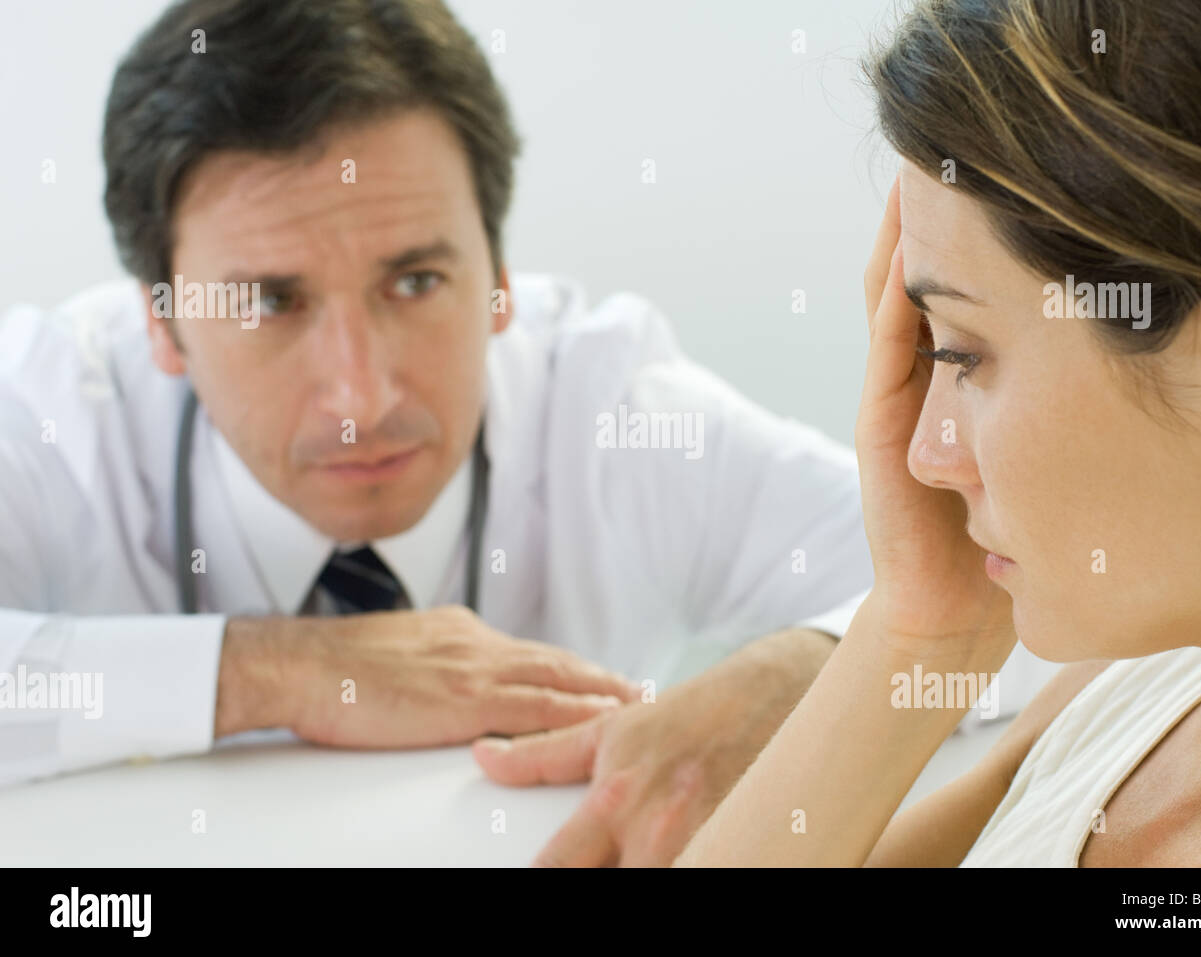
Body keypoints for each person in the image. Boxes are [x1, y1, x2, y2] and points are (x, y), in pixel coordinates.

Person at [0, 0, 878, 868]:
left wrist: (795, 680)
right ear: (160, 320)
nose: (362, 395)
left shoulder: (615, 412)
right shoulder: (50, 413)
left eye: (416, 281)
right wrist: (273, 671)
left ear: (499, 277)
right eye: (271, 301)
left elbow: (980, 574)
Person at [677, 0, 1201, 867]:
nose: (925, 455)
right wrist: (921, 631)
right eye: (927, 347)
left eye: (964, 353)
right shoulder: (1136, 704)